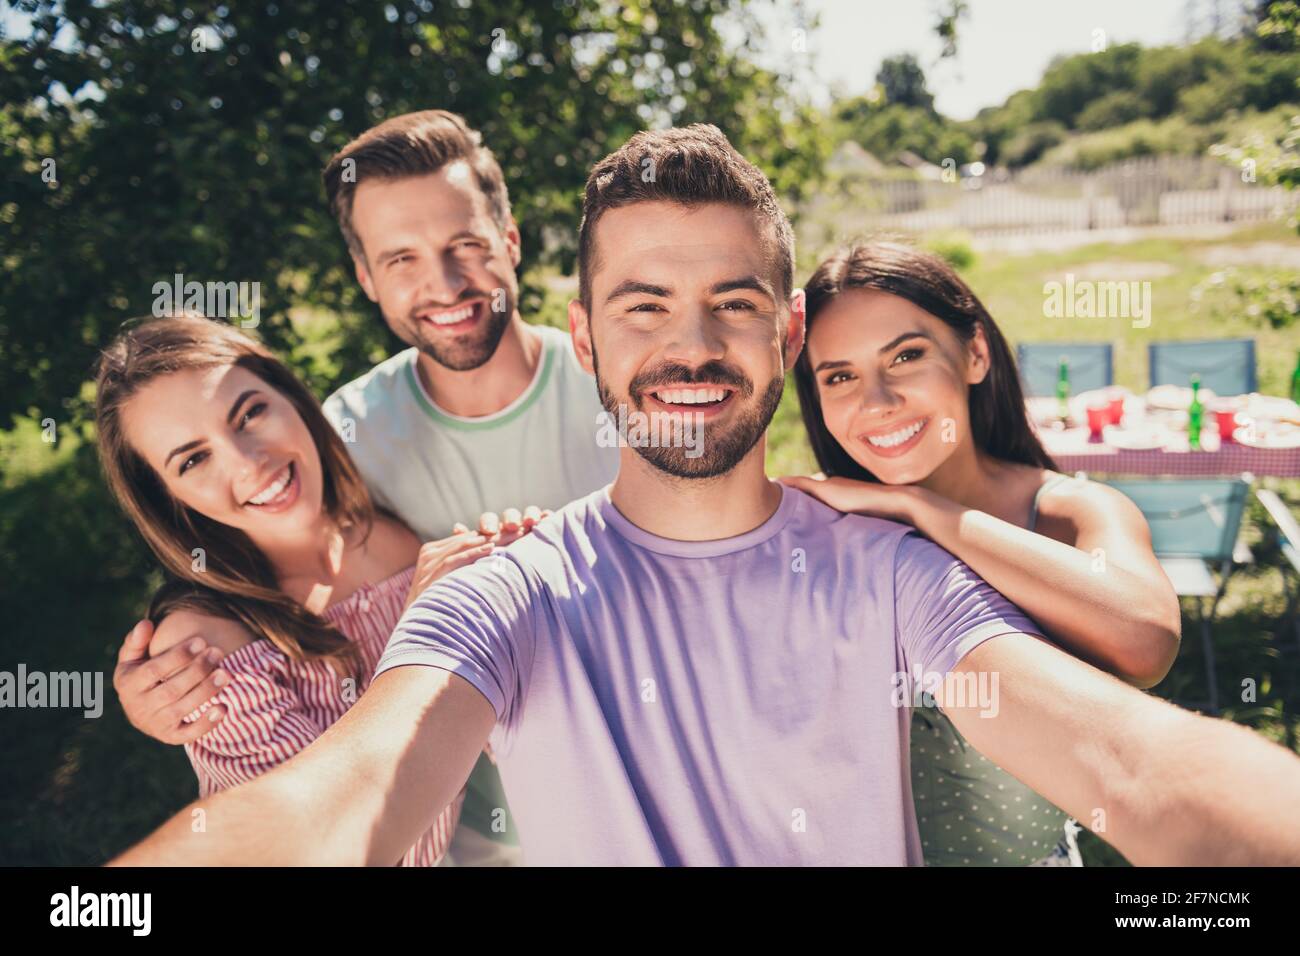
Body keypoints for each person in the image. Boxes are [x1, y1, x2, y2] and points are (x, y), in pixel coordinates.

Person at [113, 125, 1300, 867]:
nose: (691, 345)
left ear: (785, 332)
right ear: (583, 328)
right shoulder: (500, 591)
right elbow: (338, 805)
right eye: (642, 305)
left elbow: (1133, 767)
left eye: (733, 302)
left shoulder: (882, 560)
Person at [111, 111, 619, 865]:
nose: (443, 283)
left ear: (510, 242)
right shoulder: (335, 445)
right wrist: (160, 692)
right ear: (366, 278)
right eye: (402, 258)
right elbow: (240, 565)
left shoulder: (626, 396)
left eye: (466, 245)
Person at [783, 241, 1182, 866]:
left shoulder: (1068, 511)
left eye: (907, 356)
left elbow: (1146, 638)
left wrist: (926, 510)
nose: (877, 401)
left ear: (974, 353)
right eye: (840, 375)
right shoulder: (818, 527)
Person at [96, 315, 537, 865]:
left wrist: (519, 590)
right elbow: (368, 846)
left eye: (250, 412)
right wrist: (432, 634)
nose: (248, 462)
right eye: (193, 459)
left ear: (291, 397)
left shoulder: (393, 533)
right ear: (168, 499)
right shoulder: (206, 651)